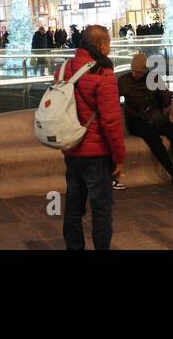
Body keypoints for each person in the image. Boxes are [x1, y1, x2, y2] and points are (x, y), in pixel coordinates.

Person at [59, 25, 126, 250]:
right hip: (96, 153)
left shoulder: (64, 68)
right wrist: (119, 157)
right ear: (101, 45)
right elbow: (111, 121)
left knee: (73, 207)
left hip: (71, 147)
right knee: (101, 210)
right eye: (109, 42)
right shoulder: (102, 74)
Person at [116, 53, 173, 185]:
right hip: (136, 120)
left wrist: (162, 101)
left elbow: (166, 100)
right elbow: (113, 98)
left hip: (155, 117)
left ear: (146, 71)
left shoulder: (154, 78)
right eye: (133, 71)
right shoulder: (123, 80)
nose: (135, 74)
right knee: (154, 139)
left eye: (139, 72)